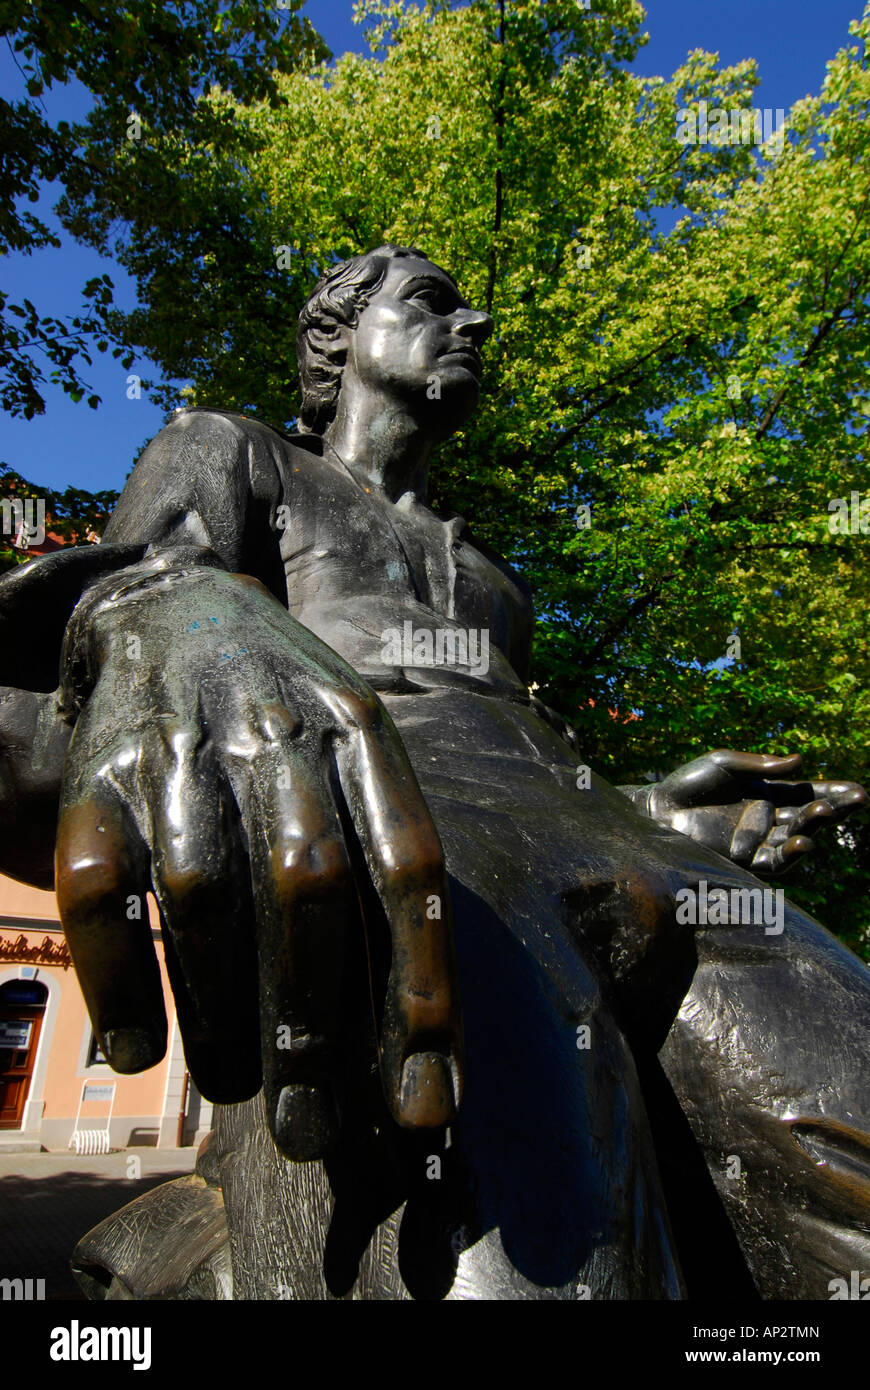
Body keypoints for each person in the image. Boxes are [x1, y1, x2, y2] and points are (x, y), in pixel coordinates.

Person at [1, 245, 868, 1300]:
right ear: (339, 337)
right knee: (543, 1247)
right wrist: (175, 615)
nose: (477, 324)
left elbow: (527, 749)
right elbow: (134, 610)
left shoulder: (497, 584)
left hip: (613, 845)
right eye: (432, 303)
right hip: (414, 831)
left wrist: (655, 805)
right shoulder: (232, 452)